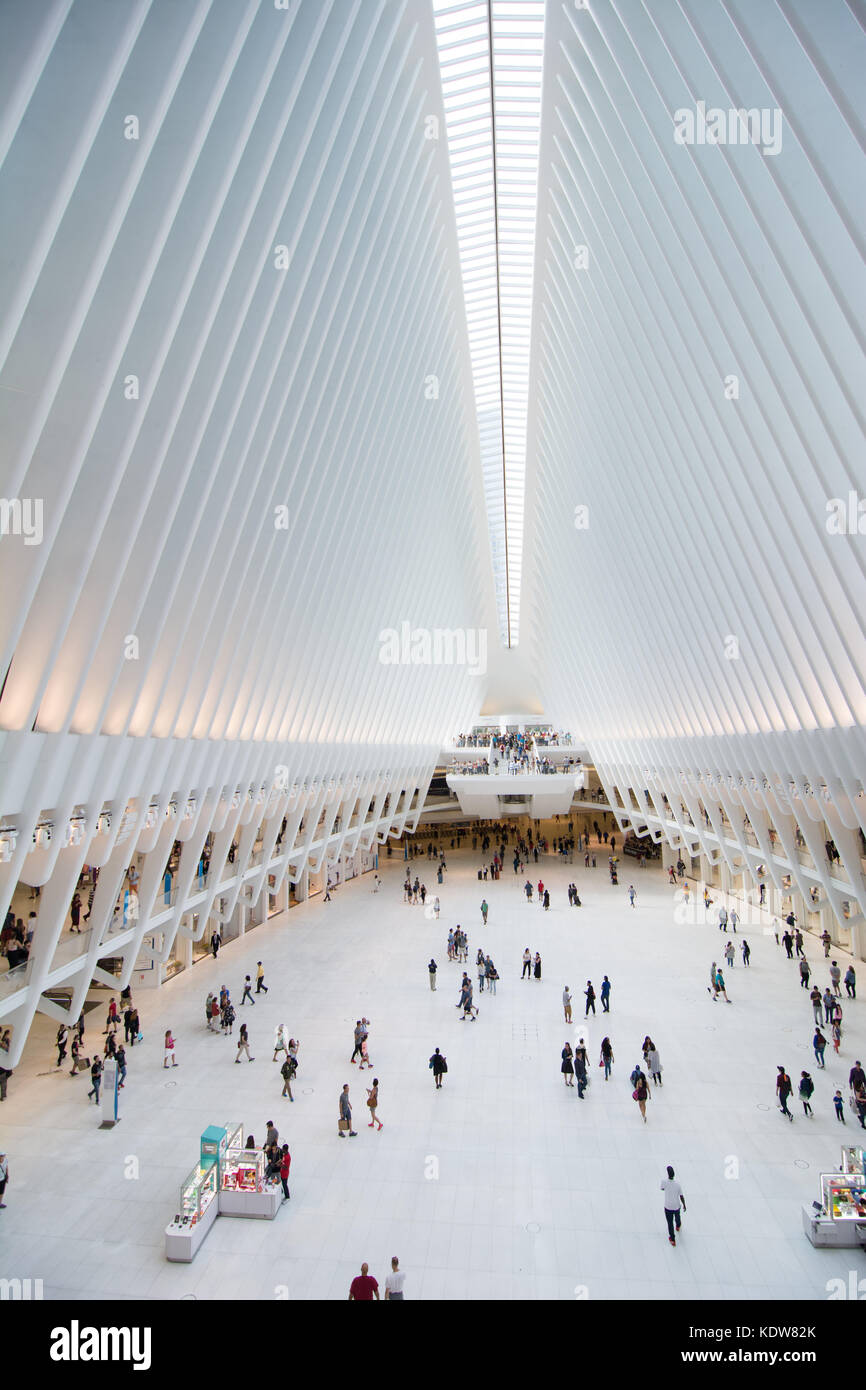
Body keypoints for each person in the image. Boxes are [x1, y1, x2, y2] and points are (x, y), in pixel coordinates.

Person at [661, 1165, 686, 1246]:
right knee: (677, 1216)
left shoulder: (664, 1182)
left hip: (668, 1206)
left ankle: (672, 1239)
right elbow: (681, 1196)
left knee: (670, 1223)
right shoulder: (677, 1184)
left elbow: (662, 1188)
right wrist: (684, 1205)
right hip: (676, 1205)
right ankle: (678, 1225)